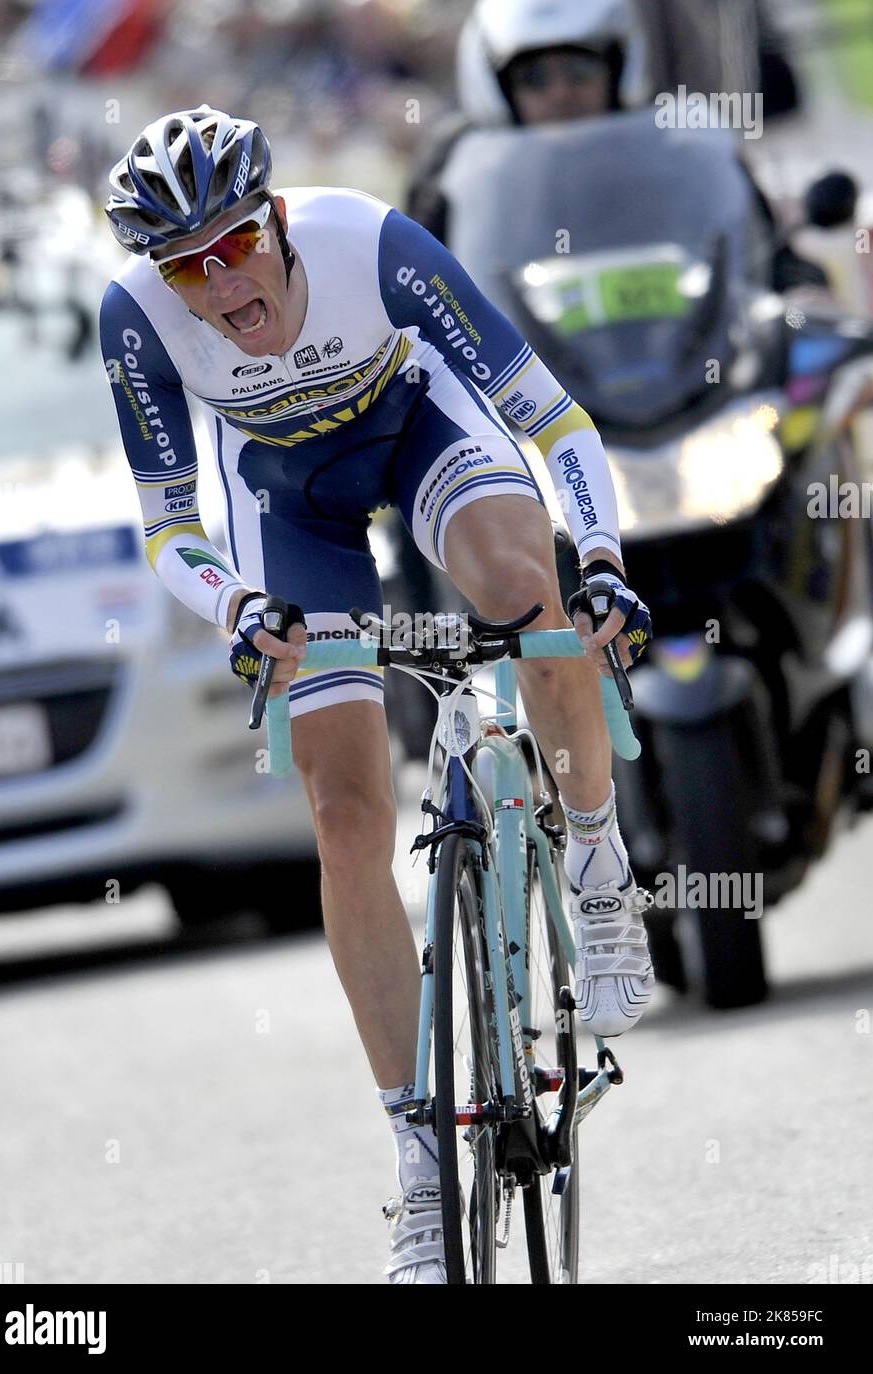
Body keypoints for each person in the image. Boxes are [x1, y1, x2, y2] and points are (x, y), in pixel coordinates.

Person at [99, 104, 655, 1284]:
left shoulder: (373, 244)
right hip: (287, 503)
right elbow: (168, 525)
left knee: (523, 589)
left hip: (421, 433)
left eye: (237, 243)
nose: (222, 282)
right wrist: (240, 610)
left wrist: (600, 553)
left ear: (280, 222)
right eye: (187, 264)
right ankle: (416, 1158)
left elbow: (550, 415)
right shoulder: (138, 323)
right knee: (345, 812)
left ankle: (600, 863)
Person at [406, 0, 825, 292]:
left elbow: (770, 261)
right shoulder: (455, 167)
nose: (561, 93)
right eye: (534, 78)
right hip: (527, 398)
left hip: (689, 382)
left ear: (619, 68)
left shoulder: (682, 149)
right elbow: (417, 291)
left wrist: (805, 297)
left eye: (580, 71)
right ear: (499, 86)